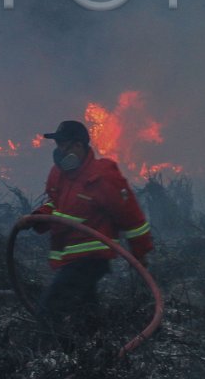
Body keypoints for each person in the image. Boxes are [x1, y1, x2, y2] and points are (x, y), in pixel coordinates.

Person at [25, 119, 153, 329]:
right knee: (86, 314)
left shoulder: (102, 176)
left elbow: (131, 216)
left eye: (63, 144)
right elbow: (55, 204)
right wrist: (38, 217)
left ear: (78, 146)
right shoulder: (58, 174)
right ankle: (95, 343)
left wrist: (140, 253)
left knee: (50, 309)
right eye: (57, 145)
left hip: (91, 258)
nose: (59, 151)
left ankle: (48, 347)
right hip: (68, 257)